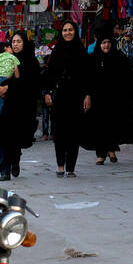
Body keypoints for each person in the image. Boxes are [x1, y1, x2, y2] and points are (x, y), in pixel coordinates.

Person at [42, 19, 92, 178]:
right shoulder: (57, 51)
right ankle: (60, 164)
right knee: (60, 131)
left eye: (70, 30)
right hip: (60, 94)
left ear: (75, 32)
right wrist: (47, 92)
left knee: (74, 132)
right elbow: (50, 74)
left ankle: (71, 166)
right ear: (61, 33)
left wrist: (88, 95)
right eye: (65, 30)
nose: (68, 33)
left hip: (76, 95)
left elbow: (88, 76)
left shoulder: (81, 51)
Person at [0, 31, 41, 182]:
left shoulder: (31, 62)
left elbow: (30, 84)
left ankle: (15, 159)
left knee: (15, 139)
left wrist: (8, 87)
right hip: (4, 106)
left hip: (21, 107)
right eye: (13, 42)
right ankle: (4, 171)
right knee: (2, 137)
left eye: (19, 41)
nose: (16, 44)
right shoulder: (4, 59)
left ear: (24, 43)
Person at [85, 34, 133, 164]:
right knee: (100, 126)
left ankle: (111, 150)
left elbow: (128, 75)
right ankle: (101, 154)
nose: (106, 45)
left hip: (114, 99)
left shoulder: (119, 58)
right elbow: (88, 80)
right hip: (98, 100)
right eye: (103, 43)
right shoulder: (94, 59)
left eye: (108, 42)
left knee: (112, 124)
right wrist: (88, 95)